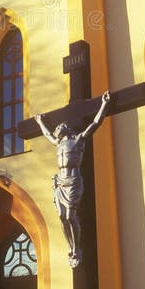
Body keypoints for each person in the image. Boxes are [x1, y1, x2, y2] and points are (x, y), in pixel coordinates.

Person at [35, 91, 111, 268]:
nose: (58, 127)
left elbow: (95, 123)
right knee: (62, 216)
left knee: (70, 215)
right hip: (60, 181)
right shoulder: (58, 143)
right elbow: (47, 135)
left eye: (60, 126)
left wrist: (104, 105)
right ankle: (70, 247)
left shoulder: (78, 140)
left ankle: (77, 248)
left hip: (73, 180)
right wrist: (39, 122)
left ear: (67, 128)